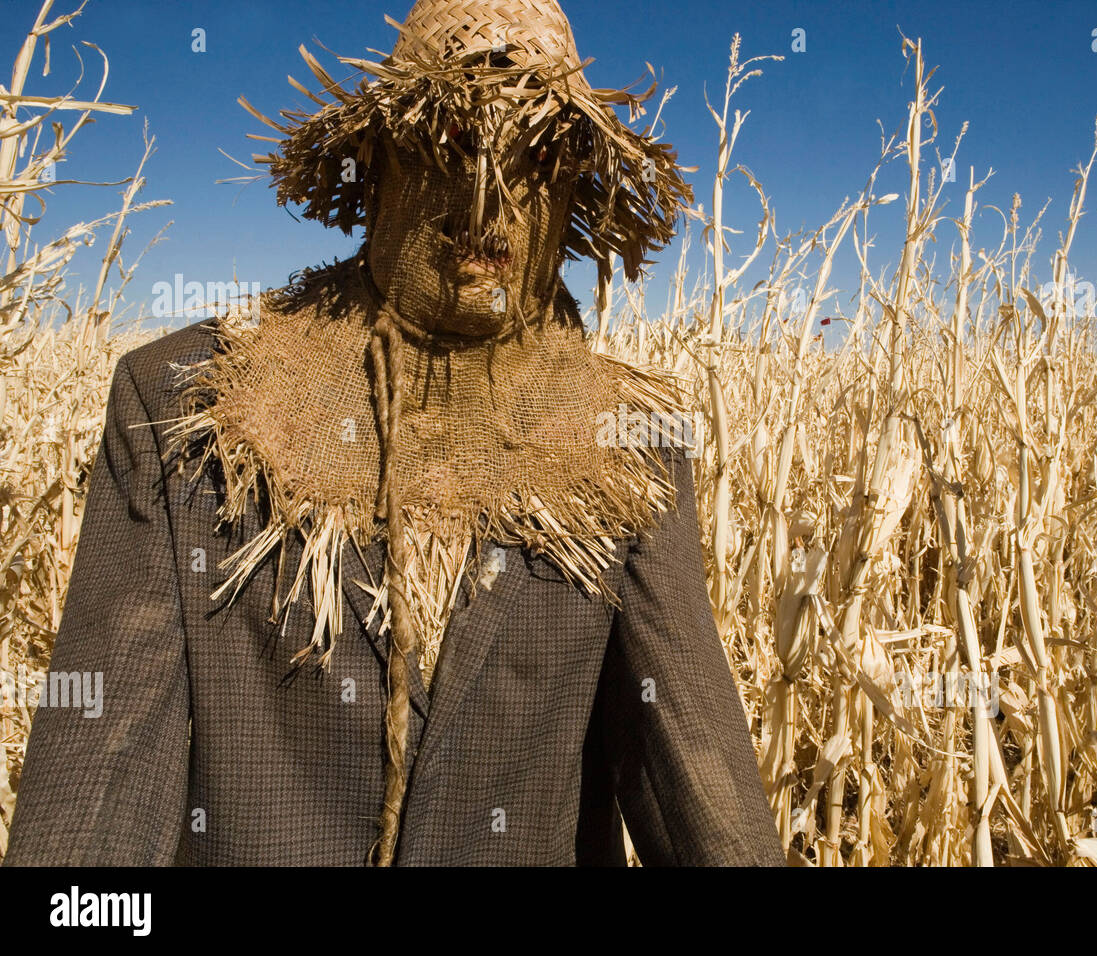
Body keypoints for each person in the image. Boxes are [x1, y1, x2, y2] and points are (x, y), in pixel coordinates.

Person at [3, 0, 785, 866]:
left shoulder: (624, 442)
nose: (487, 198)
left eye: (534, 157)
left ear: (573, 189)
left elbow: (695, 771)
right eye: (450, 144)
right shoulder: (186, 402)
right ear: (378, 161)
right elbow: (97, 790)